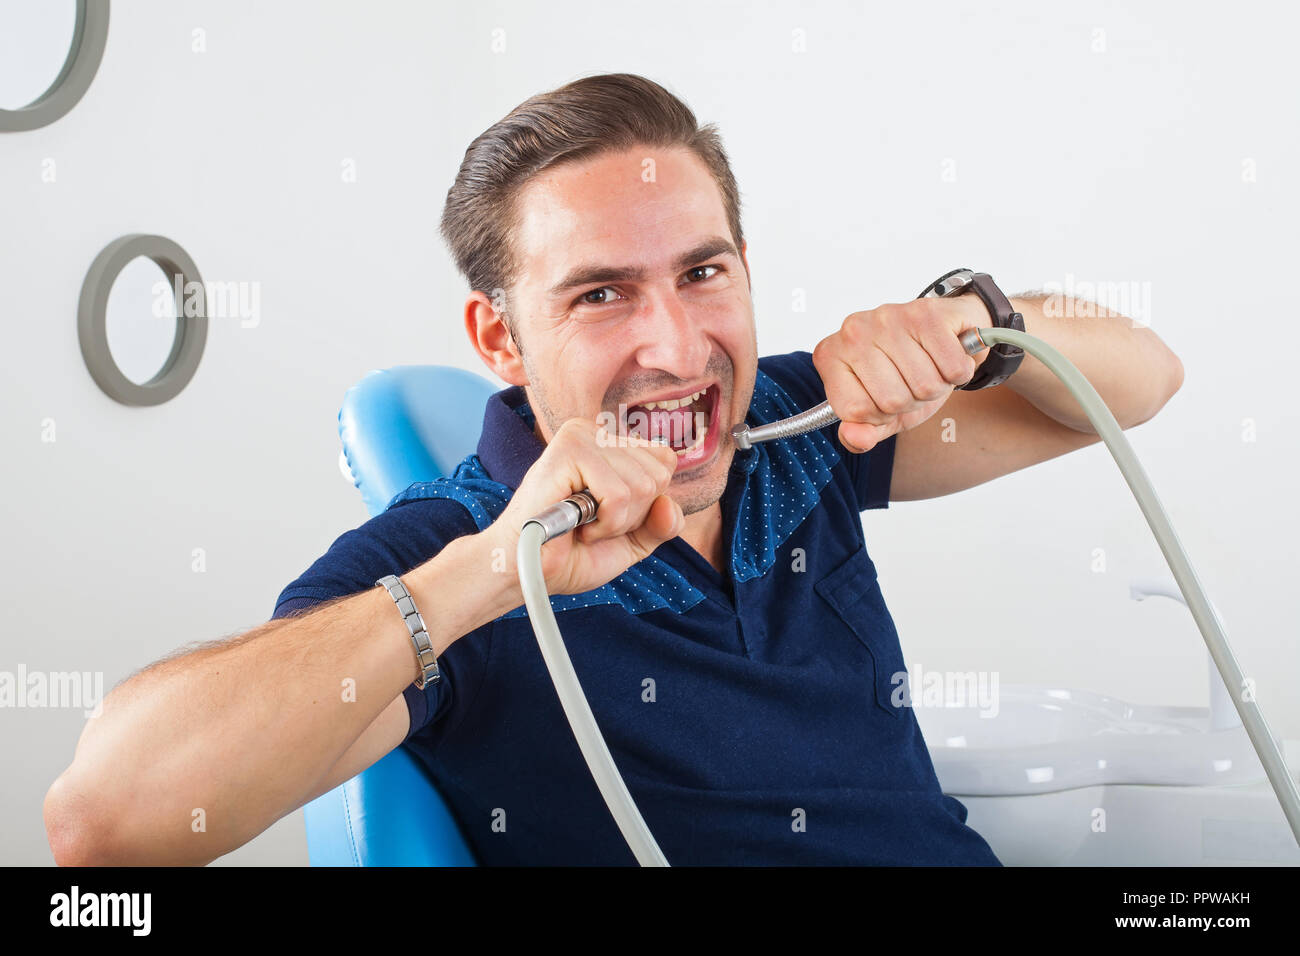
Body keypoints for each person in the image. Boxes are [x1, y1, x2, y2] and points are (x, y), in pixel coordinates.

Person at [43, 73, 1183, 866]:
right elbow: (103, 822)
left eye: (702, 272)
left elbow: (1137, 381)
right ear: (498, 339)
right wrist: (483, 576)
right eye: (600, 294)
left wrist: (976, 322)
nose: (677, 348)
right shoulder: (459, 549)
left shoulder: (797, 420)